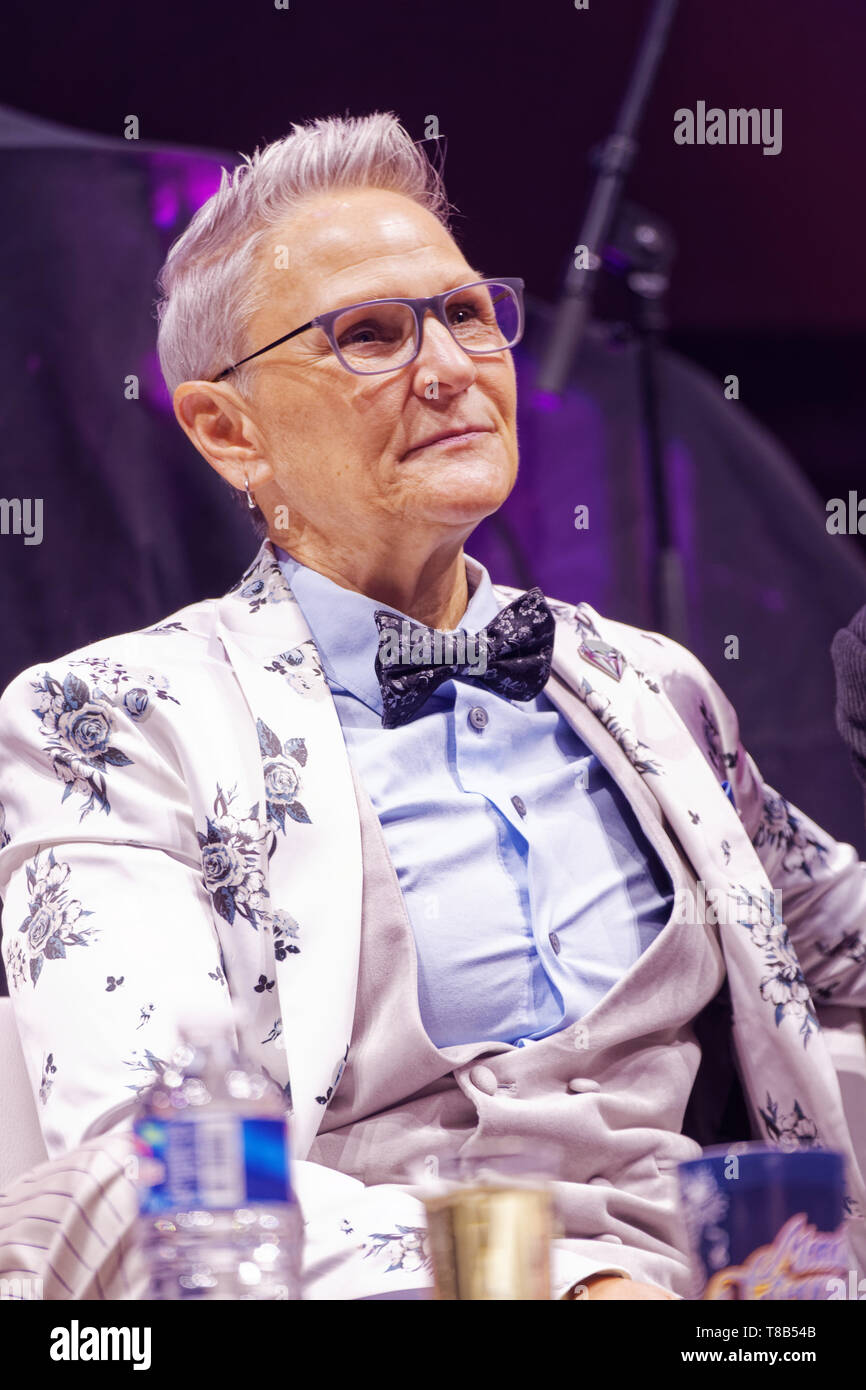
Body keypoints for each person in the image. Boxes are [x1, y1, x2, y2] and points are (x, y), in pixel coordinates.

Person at [1, 112, 865, 1302]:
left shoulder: (645, 683)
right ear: (224, 429)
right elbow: (157, 1143)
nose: (451, 365)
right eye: (367, 335)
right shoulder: (110, 720)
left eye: (463, 312)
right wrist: (559, 1285)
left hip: (735, 1296)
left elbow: (836, 932)